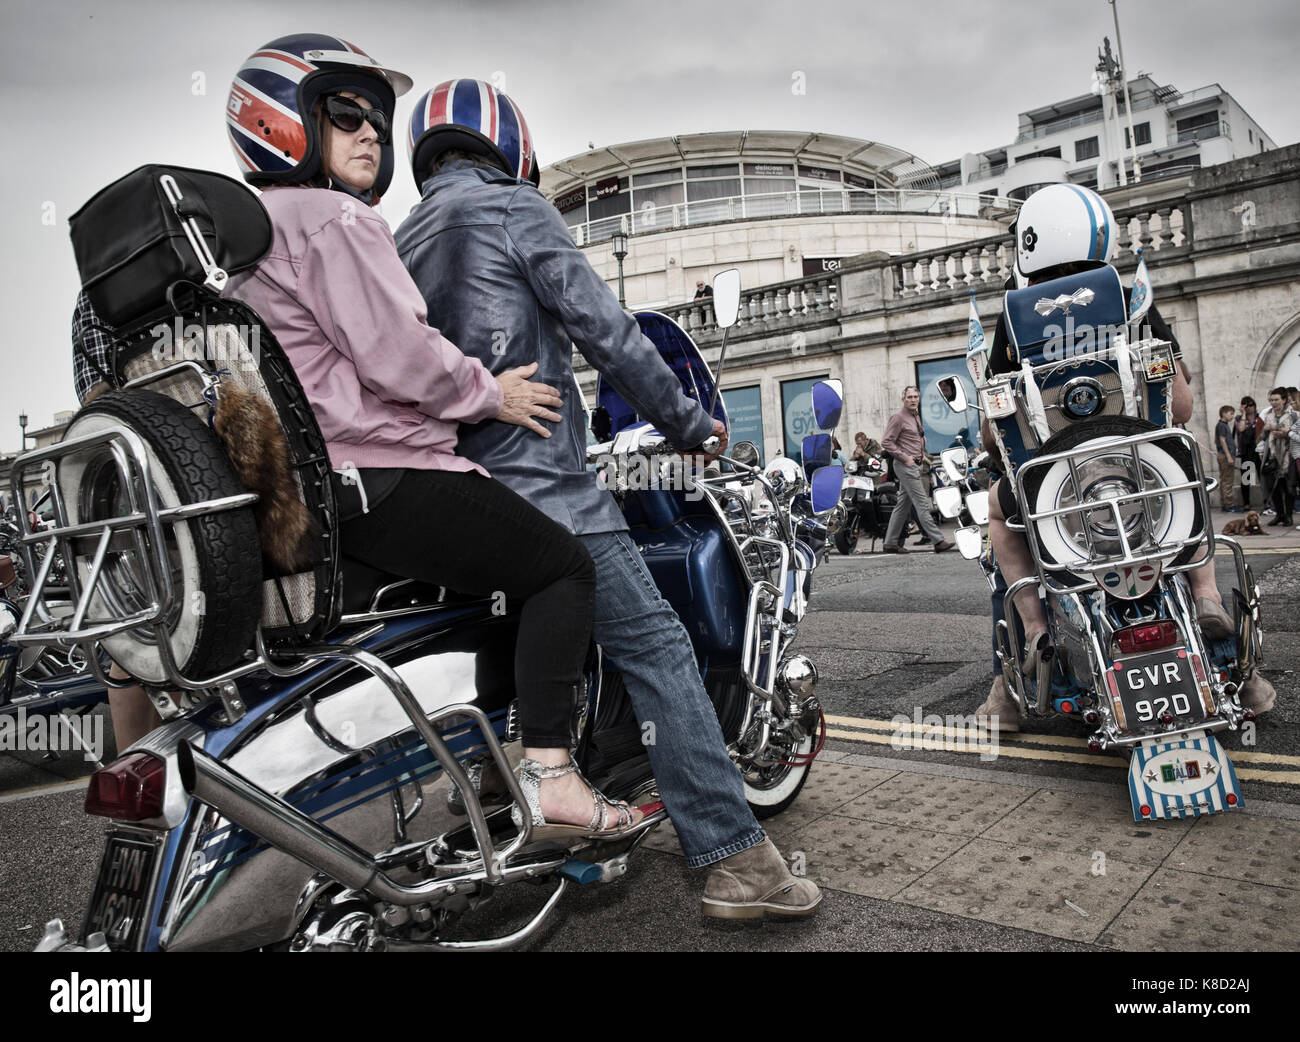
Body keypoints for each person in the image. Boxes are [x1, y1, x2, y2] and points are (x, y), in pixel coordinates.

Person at [203, 34, 651, 840]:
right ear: (284, 125)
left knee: (498, 588)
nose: (372, 130)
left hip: (309, 499)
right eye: (347, 113)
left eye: (377, 116)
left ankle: (484, 774)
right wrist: (493, 391)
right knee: (562, 570)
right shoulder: (332, 217)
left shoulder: (250, 248)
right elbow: (401, 353)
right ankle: (549, 775)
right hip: (378, 477)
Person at [395, 78, 819, 919]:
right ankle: (739, 863)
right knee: (657, 648)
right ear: (507, 143)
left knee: (510, 659)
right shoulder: (513, 207)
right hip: (547, 490)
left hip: (457, 500)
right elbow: (607, 330)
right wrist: (692, 421)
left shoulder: (402, 236)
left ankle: (514, 814)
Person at [976, 184, 1274, 721]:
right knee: (1185, 482)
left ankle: (1028, 650)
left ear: (1028, 241)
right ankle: (1211, 609)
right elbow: (1179, 406)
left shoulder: (1013, 315)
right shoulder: (1128, 297)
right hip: (1144, 477)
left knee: (999, 515)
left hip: (1058, 495)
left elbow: (995, 436)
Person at [880, 387, 953, 554]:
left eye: (915, 397)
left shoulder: (915, 416)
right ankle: (938, 540)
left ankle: (890, 543)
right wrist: (906, 458)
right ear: (903, 399)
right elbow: (886, 442)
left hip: (916, 466)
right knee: (922, 503)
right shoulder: (898, 417)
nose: (913, 400)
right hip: (906, 466)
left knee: (902, 506)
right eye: (909, 397)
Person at [1259, 387, 1297, 526]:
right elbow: (1261, 437)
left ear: (1284, 400)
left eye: (1276, 399)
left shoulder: (1292, 414)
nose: (1274, 403)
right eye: (1271, 400)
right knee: (1273, 486)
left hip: (1288, 454)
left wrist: (1286, 433)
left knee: (1288, 487)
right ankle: (1279, 514)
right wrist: (1266, 429)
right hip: (1273, 455)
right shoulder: (1267, 415)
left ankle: (1288, 515)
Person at [1235, 397, 1263, 511]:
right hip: (1246, 452)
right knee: (1247, 478)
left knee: (1263, 477)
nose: (1249, 408)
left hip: (1259, 450)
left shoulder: (1260, 417)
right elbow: (1241, 429)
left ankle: (1268, 502)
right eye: (1246, 406)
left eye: (1251, 405)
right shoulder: (1239, 418)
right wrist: (1243, 414)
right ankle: (1247, 502)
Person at [1214, 405, 1239, 512]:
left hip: (1224, 455)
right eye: (1231, 413)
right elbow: (1222, 440)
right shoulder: (1222, 426)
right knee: (1227, 480)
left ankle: (1225, 504)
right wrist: (1229, 456)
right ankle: (1229, 504)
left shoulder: (1223, 425)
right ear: (1224, 413)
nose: (1232, 416)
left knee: (1225, 479)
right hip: (1225, 455)